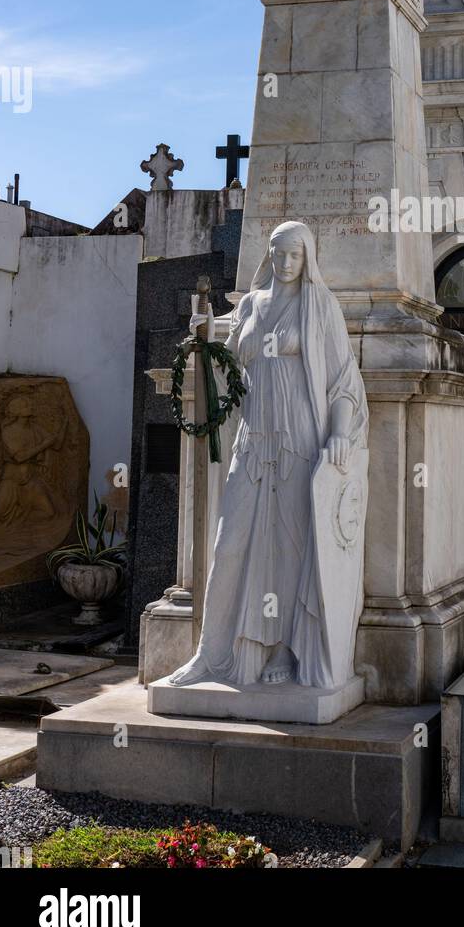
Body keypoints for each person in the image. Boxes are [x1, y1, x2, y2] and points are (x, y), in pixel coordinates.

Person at [168, 220, 368, 690]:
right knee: (229, 543)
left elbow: (343, 382)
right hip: (253, 440)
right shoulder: (253, 305)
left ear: (307, 259)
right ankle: (211, 653)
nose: (284, 263)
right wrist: (206, 331)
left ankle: (282, 649)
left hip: (300, 440)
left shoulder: (319, 306)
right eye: (277, 254)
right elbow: (232, 356)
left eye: (294, 255)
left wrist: (339, 433)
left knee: (290, 548)